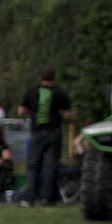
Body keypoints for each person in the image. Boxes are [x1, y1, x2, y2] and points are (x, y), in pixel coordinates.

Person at [16, 67, 73, 207]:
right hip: (53, 132)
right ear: (54, 77)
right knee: (51, 165)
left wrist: (32, 111)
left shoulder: (32, 91)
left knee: (33, 165)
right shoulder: (59, 92)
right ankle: (47, 197)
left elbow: (21, 110)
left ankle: (28, 198)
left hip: (36, 132)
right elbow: (68, 114)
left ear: (40, 77)